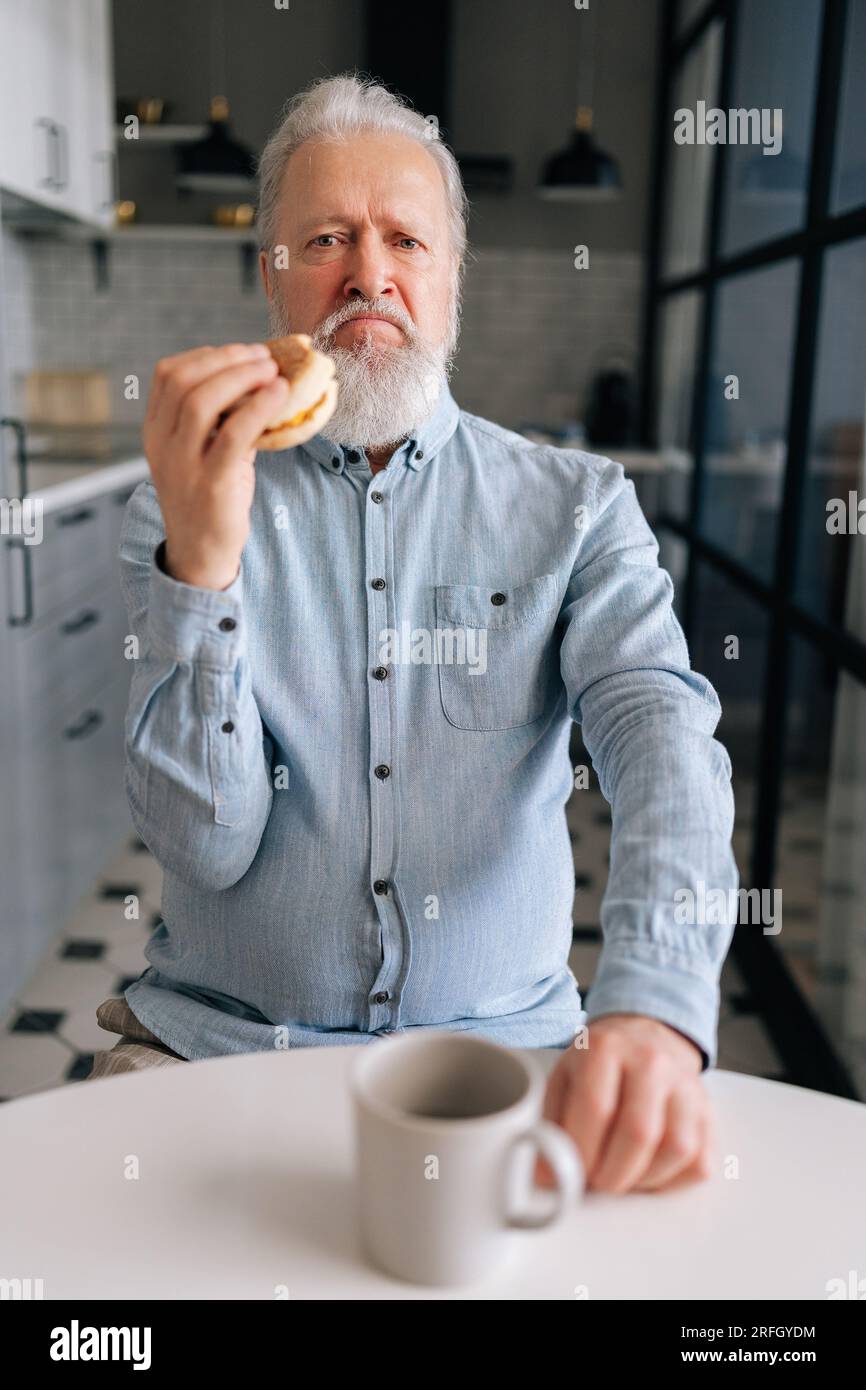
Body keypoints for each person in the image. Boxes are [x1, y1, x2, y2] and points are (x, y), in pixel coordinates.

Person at [92, 73, 737, 1196]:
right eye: (327, 238)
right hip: (215, 1046)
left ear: (452, 281)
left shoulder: (577, 506)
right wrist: (202, 564)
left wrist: (652, 1000)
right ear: (271, 275)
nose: (369, 275)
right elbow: (205, 842)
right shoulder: (187, 498)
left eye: (405, 240)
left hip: (510, 1060)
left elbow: (658, 732)